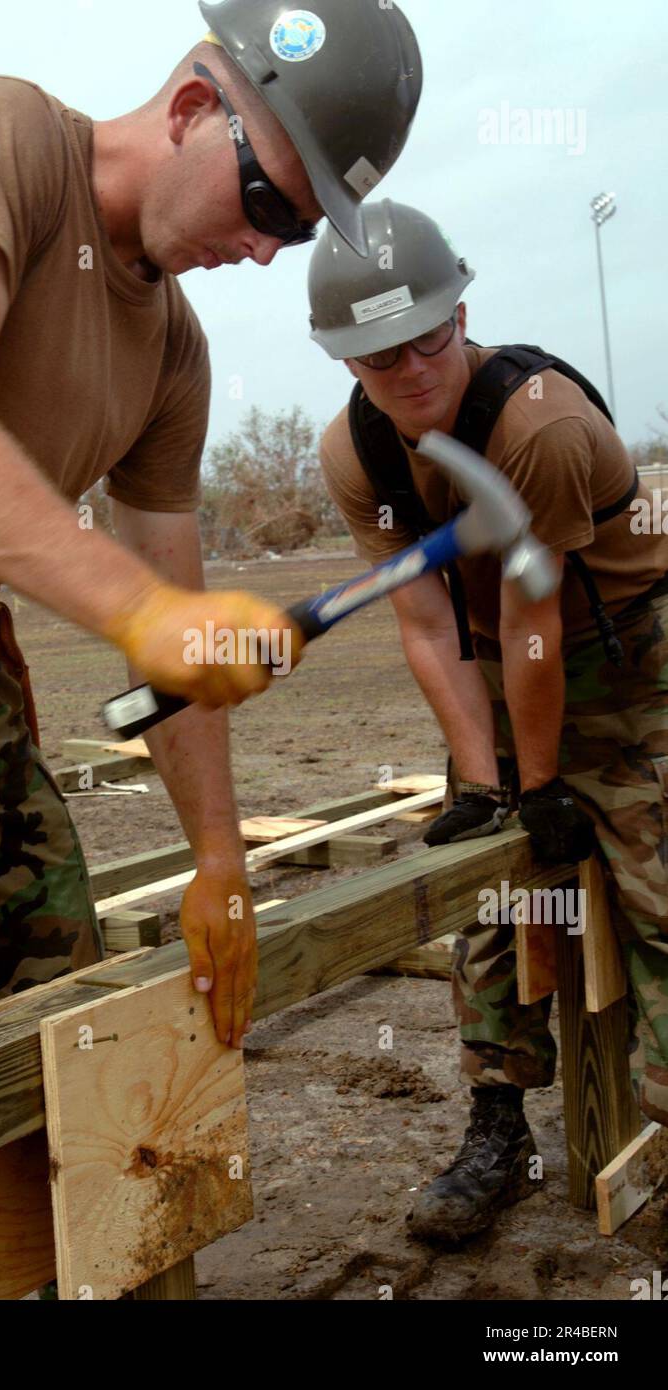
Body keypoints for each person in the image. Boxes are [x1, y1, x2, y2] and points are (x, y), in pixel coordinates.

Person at [0, 3, 423, 1280]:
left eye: (296, 230)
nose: (264, 248)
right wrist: (143, 615)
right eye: (267, 197)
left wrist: (214, 858)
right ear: (195, 106)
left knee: (64, 1052)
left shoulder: (172, 353)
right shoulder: (2, 136)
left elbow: (173, 625)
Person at [311, 198, 668, 1242]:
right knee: (499, 905)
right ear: (343, 358)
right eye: (381, 355)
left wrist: (546, 781)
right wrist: (484, 783)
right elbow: (429, 626)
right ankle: (496, 1128)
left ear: (461, 310)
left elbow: (534, 624)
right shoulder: (355, 456)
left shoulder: (538, 424)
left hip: (629, 660)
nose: (414, 366)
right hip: (501, 665)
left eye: (431, 335)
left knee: (658, 907)